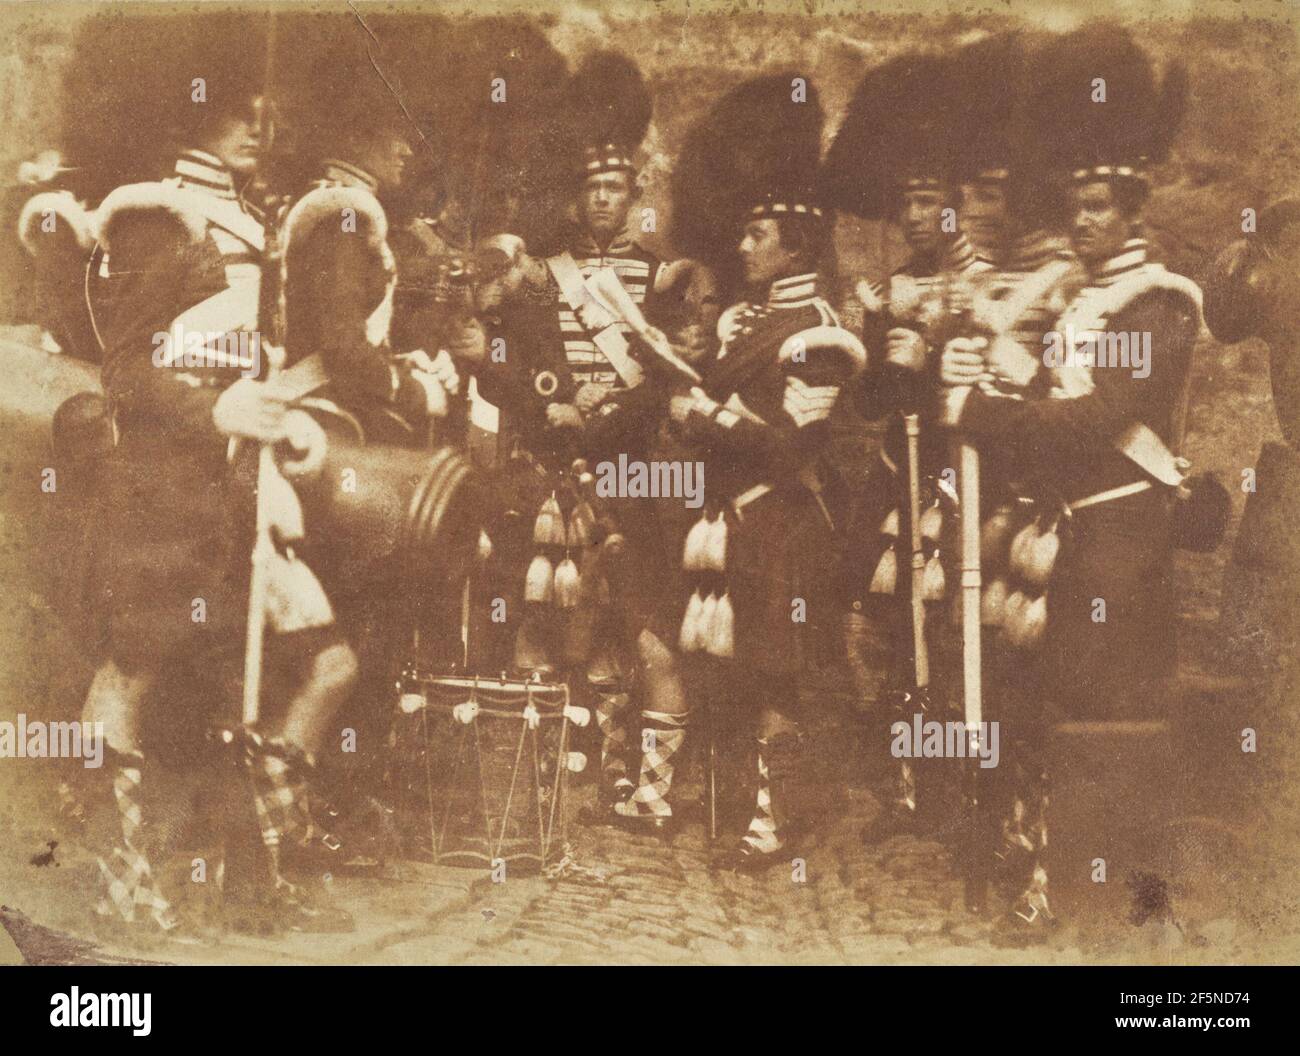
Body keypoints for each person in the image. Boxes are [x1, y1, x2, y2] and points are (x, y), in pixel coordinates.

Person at [938, 25, 1197, 931]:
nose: (1080, 220)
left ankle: (1107, 884)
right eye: (1075, 204)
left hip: (1119, 541)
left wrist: (988, 417)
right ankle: (1039, 862)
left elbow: (1089, 422)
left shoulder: (1158, 304)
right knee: (1037, 697)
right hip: (1060, 533)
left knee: (1099, 709)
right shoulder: (1071, 304)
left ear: (1132, 214)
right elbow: (1042, 405)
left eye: (1097, 207)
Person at [614, 76, 865, 868]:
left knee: (770, 676)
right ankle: (652, 795)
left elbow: (794, 449)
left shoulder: (819, 336)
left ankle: (772, 824)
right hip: (708, 516)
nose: (746, 245)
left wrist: (707, 418)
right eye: (747, 231)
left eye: (760, 235)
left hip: (774, 522)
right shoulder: (736, 319)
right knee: (659, 639)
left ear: (795, 246)